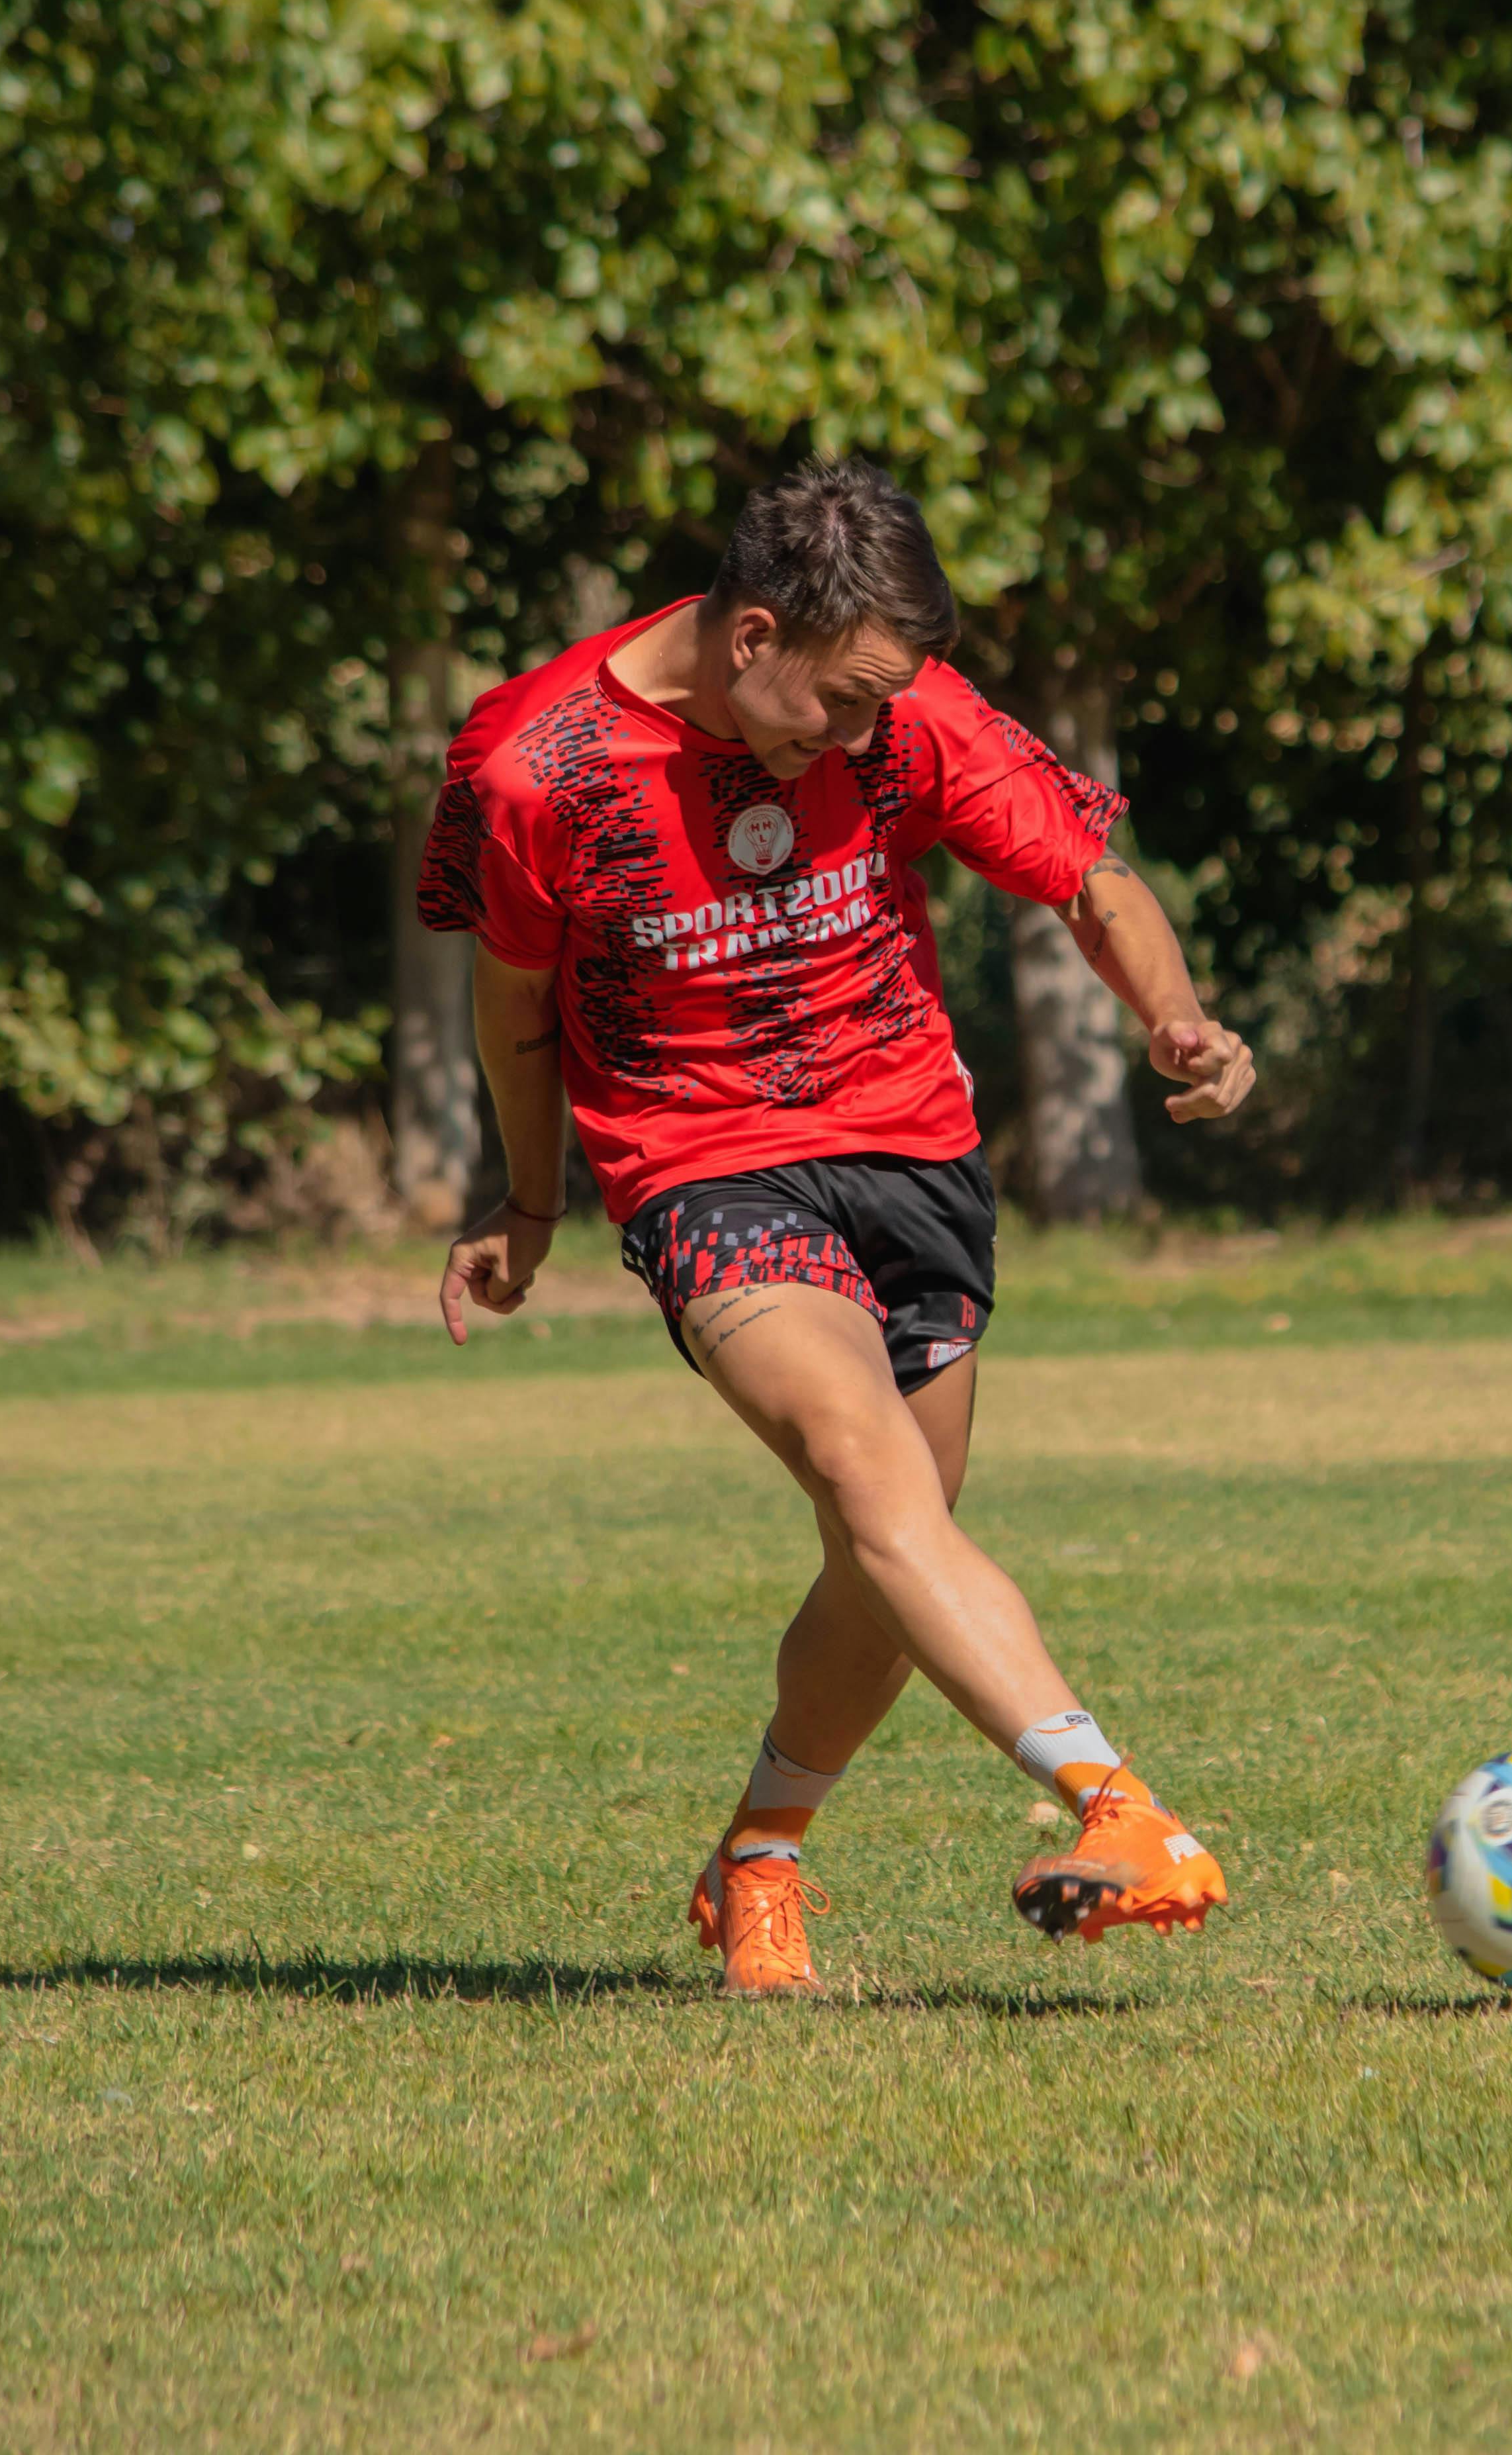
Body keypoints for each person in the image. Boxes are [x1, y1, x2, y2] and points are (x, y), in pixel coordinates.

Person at [419, 457, 1259, 2000]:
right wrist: (533, 1201)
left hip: (911, 1150)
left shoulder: (907, 708)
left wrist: (1177, 1017)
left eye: (884, 703)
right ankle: (1121, 1807)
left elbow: (1092, 878)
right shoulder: (542, 767)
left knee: (891, 1551)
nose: (867, 737)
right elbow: (513, 1001)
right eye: (844, 701)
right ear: (753, 636)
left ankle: (758, 1856)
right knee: (871, 1474)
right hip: (702, 1165)